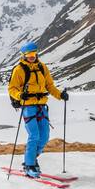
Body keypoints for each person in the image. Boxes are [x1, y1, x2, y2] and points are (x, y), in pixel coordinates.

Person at [8, 42, 69, 178]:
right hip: (28, 107)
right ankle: (29, 165)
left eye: (34, 54)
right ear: (23, 56)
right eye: (29, 55)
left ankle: (30, 158)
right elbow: (12, 88)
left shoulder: (42, 67)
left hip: (41, 106)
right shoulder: (19, 70)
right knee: (34, 135)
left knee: (45, 136)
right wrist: (19, 95)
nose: (32, 57)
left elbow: (49, 86)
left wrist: (60, 95)